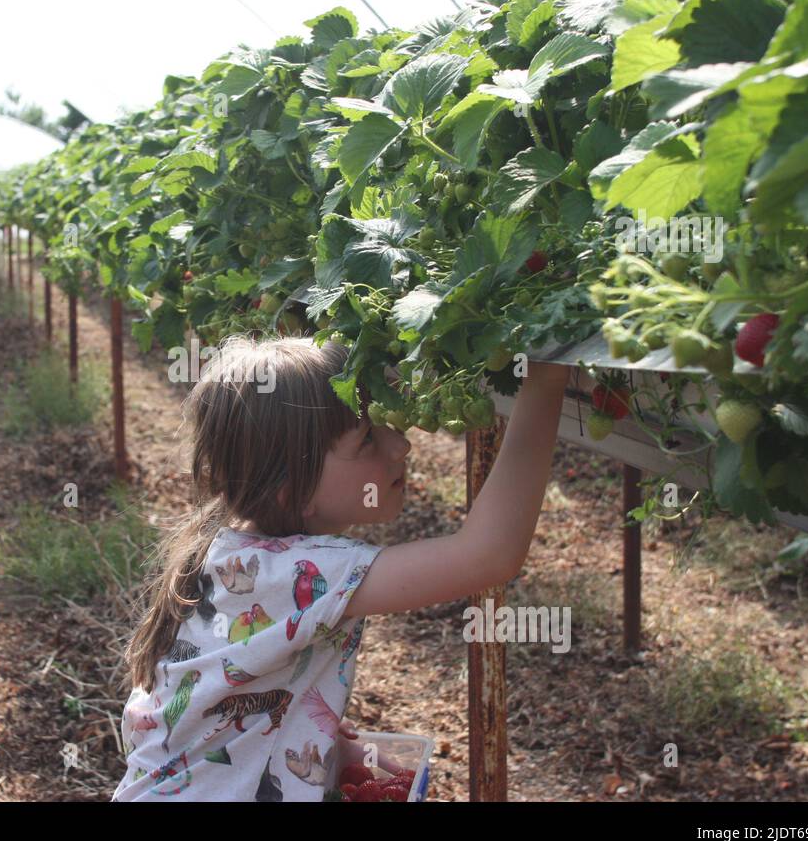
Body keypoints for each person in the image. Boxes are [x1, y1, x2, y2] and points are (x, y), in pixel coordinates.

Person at [111, 333, 571, 800]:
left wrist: (330, 745)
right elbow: (488, 555)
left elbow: (221, 699)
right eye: (368, 438)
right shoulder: (299, 572)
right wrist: (546, 382)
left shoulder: (231, 551)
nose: (400, 446)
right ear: (291, 491)